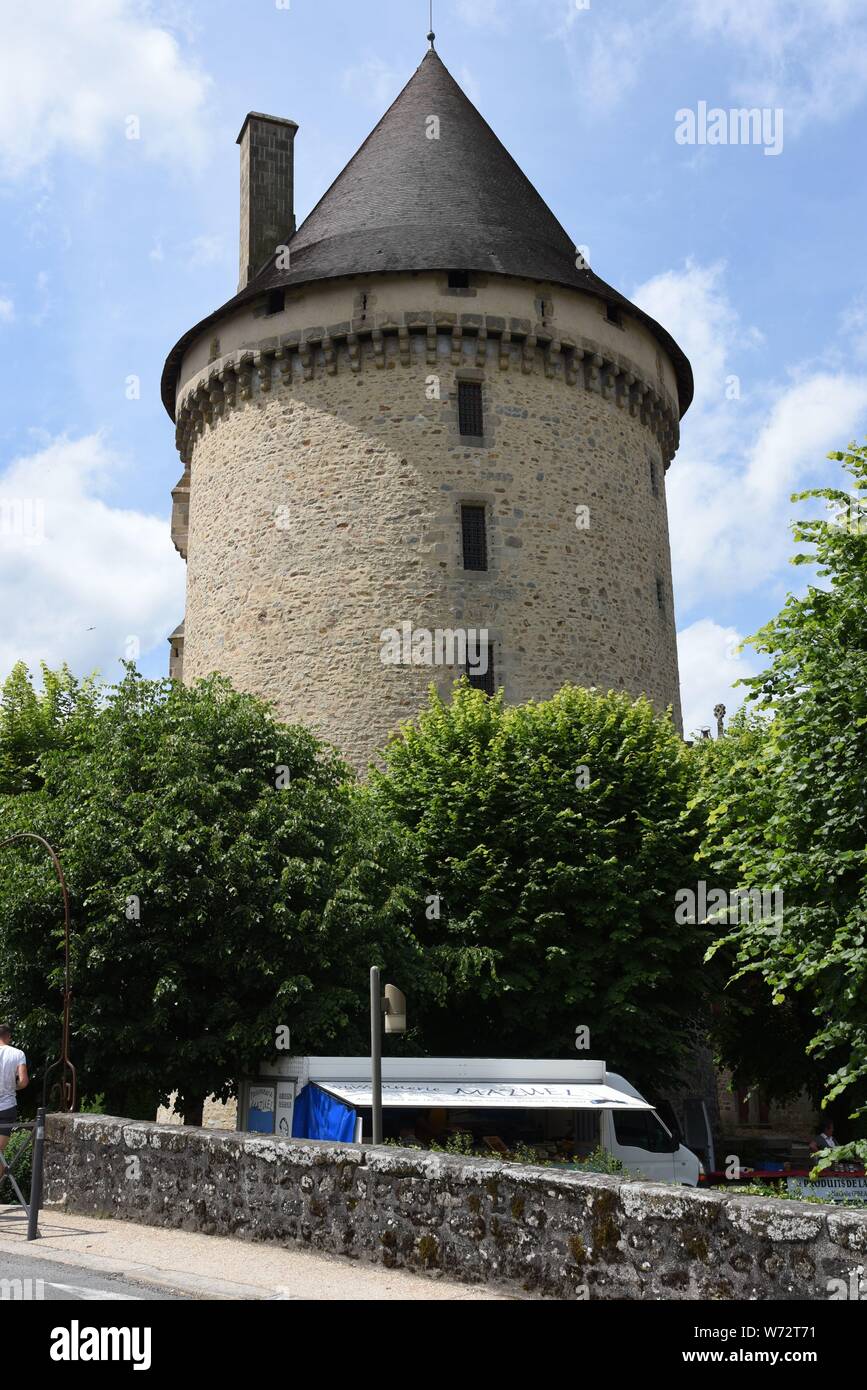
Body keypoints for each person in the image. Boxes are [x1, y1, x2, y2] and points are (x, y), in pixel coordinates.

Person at [0, 1025, 28, 1157]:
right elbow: (23, 1081)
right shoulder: (18, 1054)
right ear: (8, 1036)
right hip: (7, 1106)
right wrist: (13, 1086)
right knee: (0, 1152)